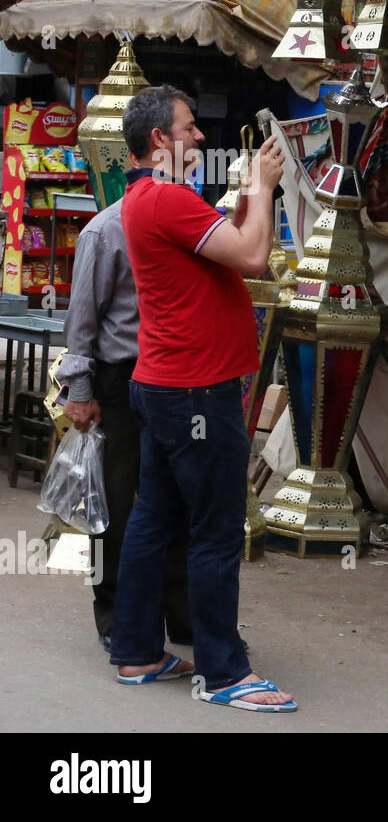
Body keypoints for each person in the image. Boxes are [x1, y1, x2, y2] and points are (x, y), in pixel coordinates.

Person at [110, 85, 295, 712]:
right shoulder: (166, 200)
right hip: (194, 393)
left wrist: (249, 191)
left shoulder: (151, 200)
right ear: (158, 140)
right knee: (216, 531)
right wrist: (264, 186)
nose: (197, 138)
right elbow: (253, 255)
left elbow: (235, 247)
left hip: (166, 386)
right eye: (188, 129)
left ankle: (136, 650)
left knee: (155, 521)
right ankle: (225, 672)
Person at [62, 195, 191, 654]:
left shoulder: (189, 219)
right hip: (121, 379)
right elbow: (83, 316)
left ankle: (184, 615)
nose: (198, 138)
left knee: (180, 498)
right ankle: (115, 616)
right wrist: (80, 390)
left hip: (176, 374)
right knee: (112, 505)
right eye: (186, 129)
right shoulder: (105, 230)